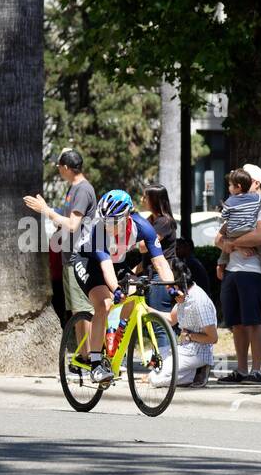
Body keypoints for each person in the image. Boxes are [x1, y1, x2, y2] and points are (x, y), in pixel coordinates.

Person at [66, 189, 181, 386]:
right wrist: (116, 289)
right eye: (106, 220)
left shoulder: (143, 227)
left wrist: (171, 287)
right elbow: (106, 269)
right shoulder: (99, 232)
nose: (108, 226)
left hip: (116, 262)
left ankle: (116, 333)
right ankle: (95, 365)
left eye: (114, 221)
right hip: (87, 261)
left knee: (136, 292)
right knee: (104, 304)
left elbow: (161, 263)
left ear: (128, 216)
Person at [23, 149, 95, 341]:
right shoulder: (73, 188)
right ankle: (83, 356)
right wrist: (49, 211)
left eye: (59, 166)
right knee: (77, 311)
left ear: (65, 168)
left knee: (83, 309)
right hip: (69, 257)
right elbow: (63, 222)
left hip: (80, 257)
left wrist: (46, 210)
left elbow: (72, 225)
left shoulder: (82, 189)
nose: (58, 170)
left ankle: (92, 356)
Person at [215, 163, 261, 384]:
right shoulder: (234, 204)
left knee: (252, 321)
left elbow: (260, 238)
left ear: (256, 183)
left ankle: (256, 370)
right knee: (236, 323)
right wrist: (236, 246)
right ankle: (241, 370)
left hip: (253, 270)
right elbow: (218, 238)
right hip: (232, 269)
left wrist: (230, 242)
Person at [155, 257, 217, 388]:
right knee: (150, 358)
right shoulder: (183, 295)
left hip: (197, 352)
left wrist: (189, 336)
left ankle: (194, 374)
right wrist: (147, 310)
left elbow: (213, 338)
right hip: (184, 348)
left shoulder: (199, 301)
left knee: (155, 379)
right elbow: (171, 320)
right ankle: (188, 372)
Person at [135, 184, 178, 312]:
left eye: (145, 197)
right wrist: (132, 271)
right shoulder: (151, 220)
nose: (142, 200)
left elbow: (143, 247)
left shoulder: (164, 222)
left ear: (154, 199)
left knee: (159, 322)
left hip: (160, 277)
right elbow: (149, 257)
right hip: (150, 276)